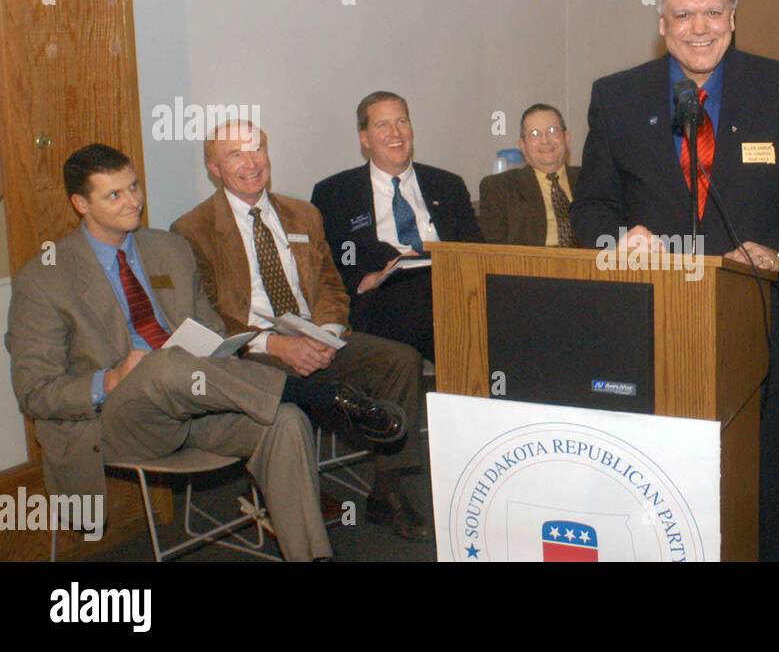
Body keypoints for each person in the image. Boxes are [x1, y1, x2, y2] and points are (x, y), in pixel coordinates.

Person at [568, 0, 779, 561]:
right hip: (650, 321)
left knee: (755, 478)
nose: (699, 27)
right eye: (684, 14)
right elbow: (589, 208)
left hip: (756, 318)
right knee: (650, 476)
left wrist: (775, 250)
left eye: (713, 12)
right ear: (662, 23)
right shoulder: (616, 96)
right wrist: (618, 237)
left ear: (734, 17)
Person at [7, 144, 371, 560]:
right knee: (163, 364)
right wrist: (111, 379)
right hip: (118, 420)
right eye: (114, 195)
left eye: (134, 187)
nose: (133, 202)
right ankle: (314, 393)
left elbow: (211, 329)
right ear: (80, 204)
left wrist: (216, 347)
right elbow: (34, 392)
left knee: (283, 420)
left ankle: (311, 556)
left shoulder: (168, 249)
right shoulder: (43, 279)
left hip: (195, 401)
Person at [172, 123, 432, 541]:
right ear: (214, 168)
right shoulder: (192, 230)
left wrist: (325, 333)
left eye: (256, 150)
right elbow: (211, 313)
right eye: (235, 155)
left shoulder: (302, 214)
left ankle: (388, 489)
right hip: (253, 350)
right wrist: (277, 344)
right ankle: (282, 490)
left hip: (316, 334)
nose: (251, 162)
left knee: (400, 359)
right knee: (280, 382)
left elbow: (330, 284)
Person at [312, 91, 484, 364]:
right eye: (383, 125)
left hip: (451, 284)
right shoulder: (335, 194)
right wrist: (365, 280)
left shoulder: (447, 185)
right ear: (364, 138)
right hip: (385, 297)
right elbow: (330, 264)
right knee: (427, 304)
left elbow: (475, 249)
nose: (396, 133)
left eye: (402, 122)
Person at [479, 104, 581, 246]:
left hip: (587, 265)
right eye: (534, 134)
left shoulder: (591, 180)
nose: (545, 140)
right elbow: (494, 252)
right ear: (522, 145)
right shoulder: (499, 188)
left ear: (566, 137)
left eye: (552, 131)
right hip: (528, 265)